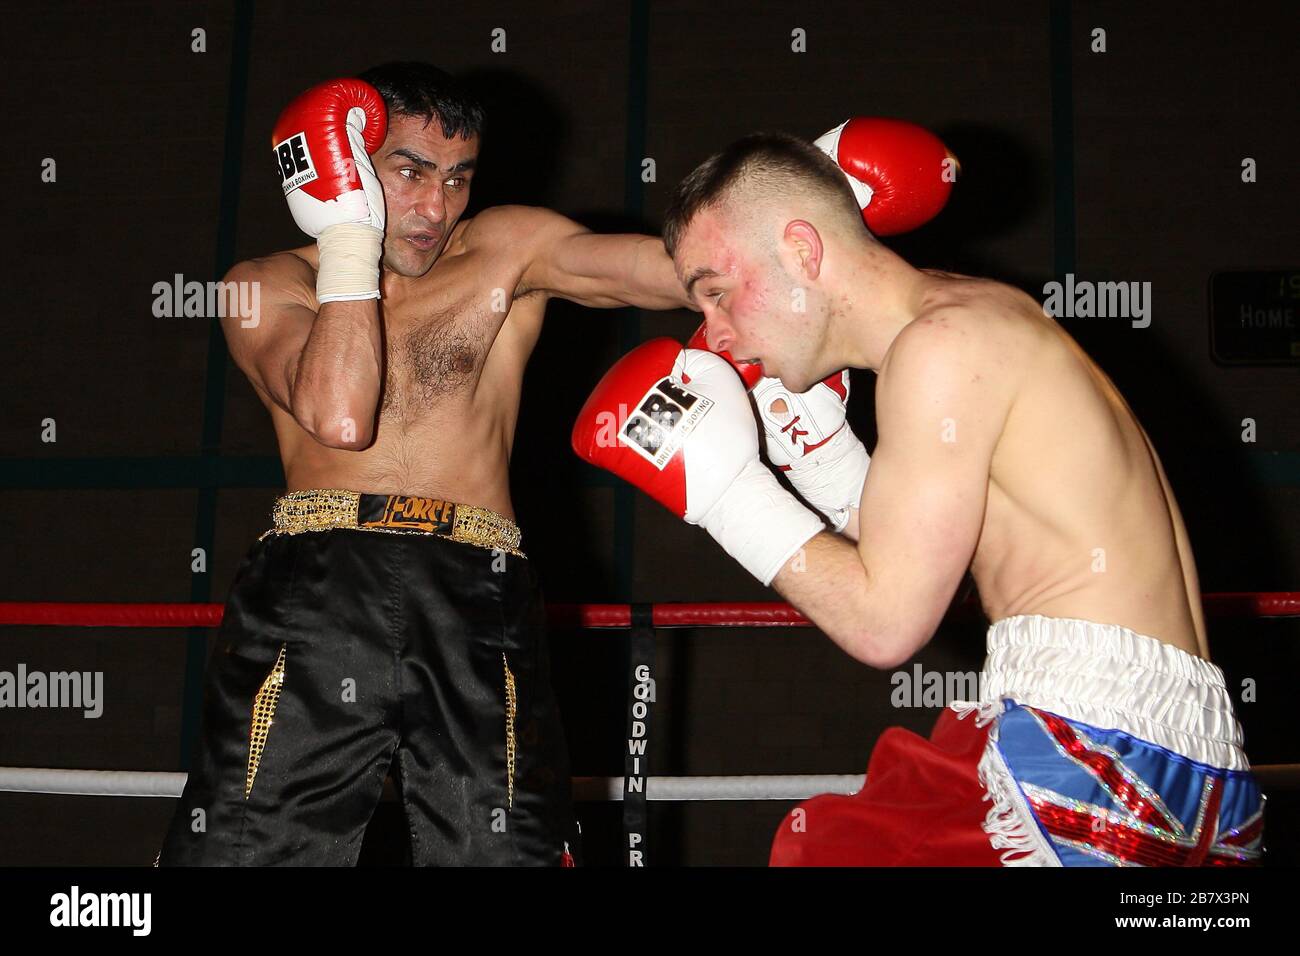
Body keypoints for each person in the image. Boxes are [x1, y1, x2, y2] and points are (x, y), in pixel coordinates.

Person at [573, 125, 1264, 866]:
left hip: (1095, 761)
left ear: (803, 252)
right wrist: (822, 457)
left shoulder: (940, 348)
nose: (715, 334)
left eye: (717, 293)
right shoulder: (971, 319)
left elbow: (885, 625)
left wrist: (725, 492)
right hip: (1180, 765)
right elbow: (926, 556)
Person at [159, 62, 694, 866]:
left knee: (511, 851)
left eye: (456, 179)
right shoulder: (262, 285)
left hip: (476, 591)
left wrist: (805, 216)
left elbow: (669, 270)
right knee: (245, 850)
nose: (434, 208)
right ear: (345, 165)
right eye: (409, 173)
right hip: (315, 588)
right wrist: (347, 235)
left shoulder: (508, 249)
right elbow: (340, 416)